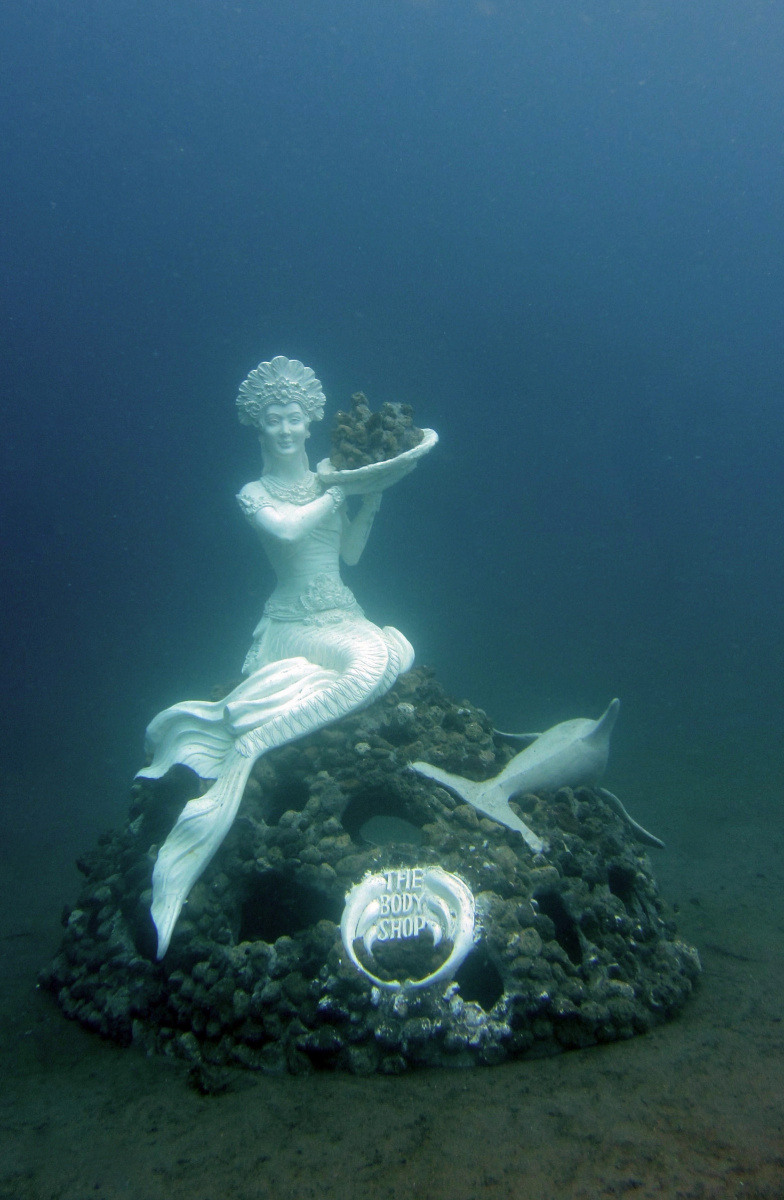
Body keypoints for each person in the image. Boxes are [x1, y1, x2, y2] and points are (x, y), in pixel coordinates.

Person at [138, 357, 420, 958]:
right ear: (258, 428)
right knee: (375, 661)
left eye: (294, 418)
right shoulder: (254, 493)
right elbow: (290, 534)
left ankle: (259, 731)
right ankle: (248, 743)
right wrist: (341, 486)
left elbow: (348, 556)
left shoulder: (331, 477)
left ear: (310, 420)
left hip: (342, 611)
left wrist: (368, 499)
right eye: (274, 421)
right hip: (292, 625)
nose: (287, 430)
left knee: (398, 650)